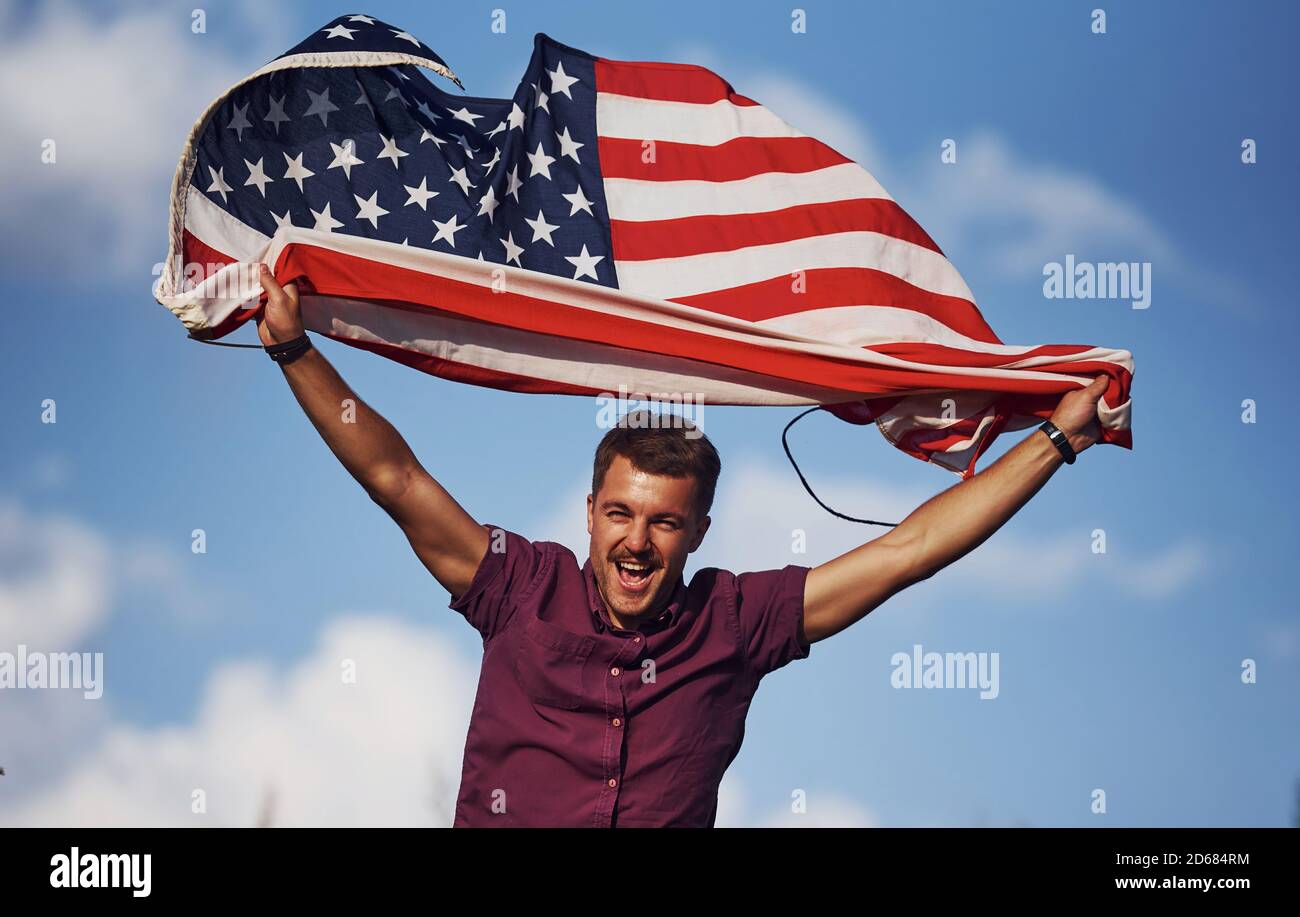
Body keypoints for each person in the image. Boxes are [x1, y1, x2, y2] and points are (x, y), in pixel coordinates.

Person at [255, 264, 1109, 827]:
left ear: (699, 529)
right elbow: (397, 480)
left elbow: (908, 549)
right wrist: (294, 349)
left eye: (665, 522)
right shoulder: (519, 586)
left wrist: (1058, 442)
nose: (637, 542)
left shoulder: (737, 621)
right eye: (621, 514)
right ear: (589, 511)